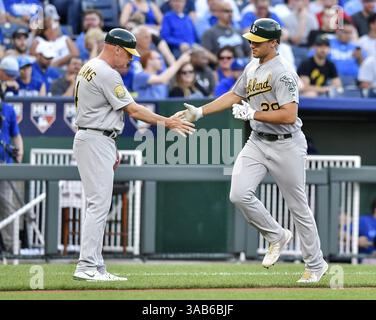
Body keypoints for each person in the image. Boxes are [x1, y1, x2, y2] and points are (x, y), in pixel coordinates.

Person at [176, 18, 328, 283]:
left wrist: (253, 112)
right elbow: (235, 95)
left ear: (273, 42)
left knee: (298, 207)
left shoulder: (284, 72)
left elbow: (290, 115)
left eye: (257, 41)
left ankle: (315, 265)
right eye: (250, 39)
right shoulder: (252, 66)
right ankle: (276, 235)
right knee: (238, 194)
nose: (251, 44)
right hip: (257, 140)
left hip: (287, 143)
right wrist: (200, 112)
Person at [72, 28, 194, 281]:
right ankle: (86, 267)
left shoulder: (90, 65)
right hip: (95, 138)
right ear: (116, 48)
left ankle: (97, 266)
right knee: (98, 205)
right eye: (128, 54)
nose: (130, 59)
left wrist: (111, 145)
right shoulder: (108, 73)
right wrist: (168, 122)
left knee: (99, 205)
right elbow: (134, 110)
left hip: (96, 136)